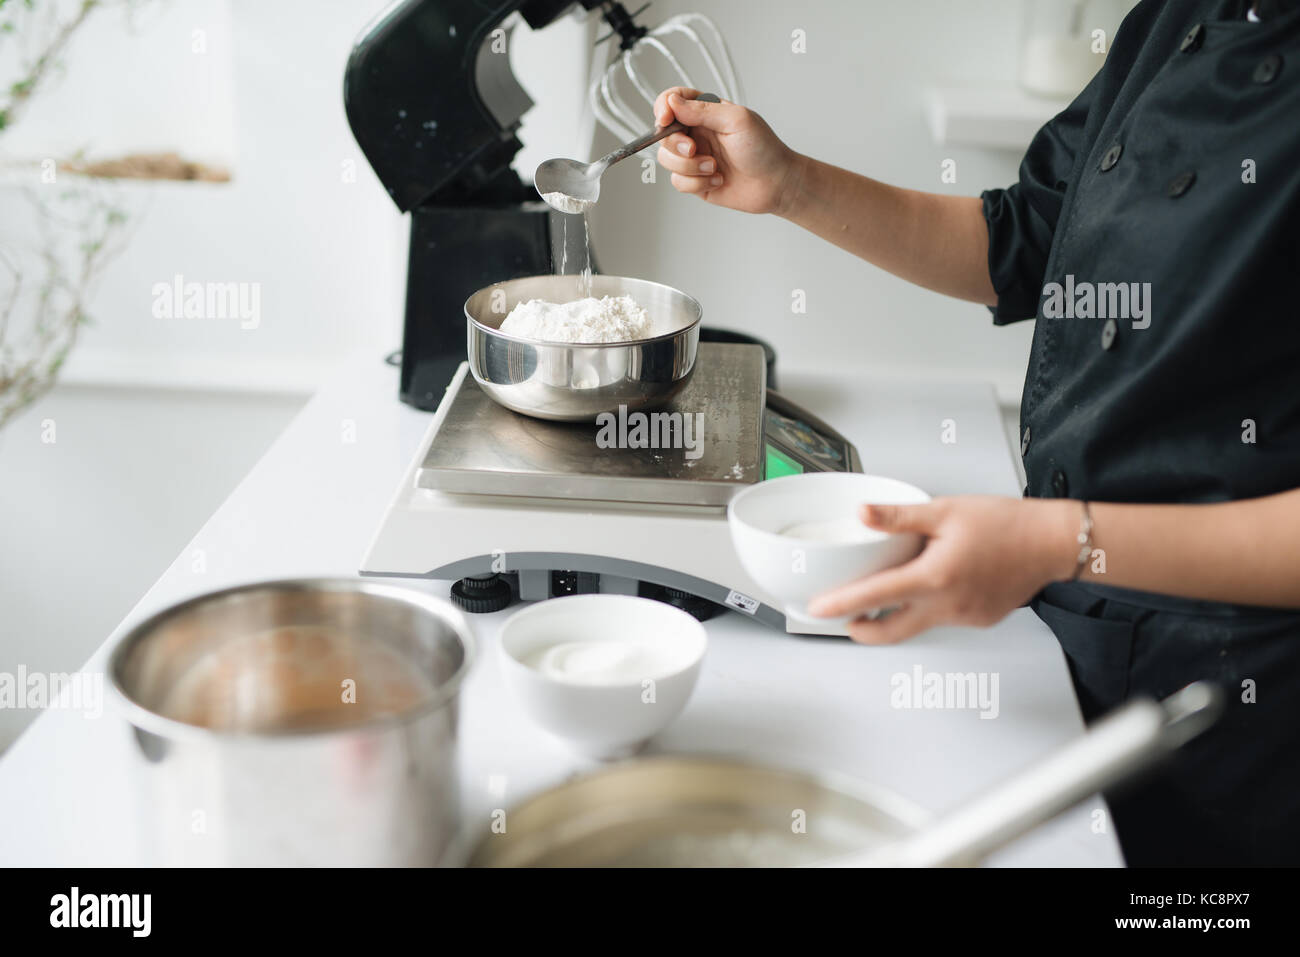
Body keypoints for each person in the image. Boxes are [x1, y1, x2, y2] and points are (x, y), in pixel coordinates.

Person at [654, 0, 1300, 867]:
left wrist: (1056, 540)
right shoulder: (1181, 16)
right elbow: (1021, 238)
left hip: (1241, 706)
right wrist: (790, 183)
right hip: (1082, 628)